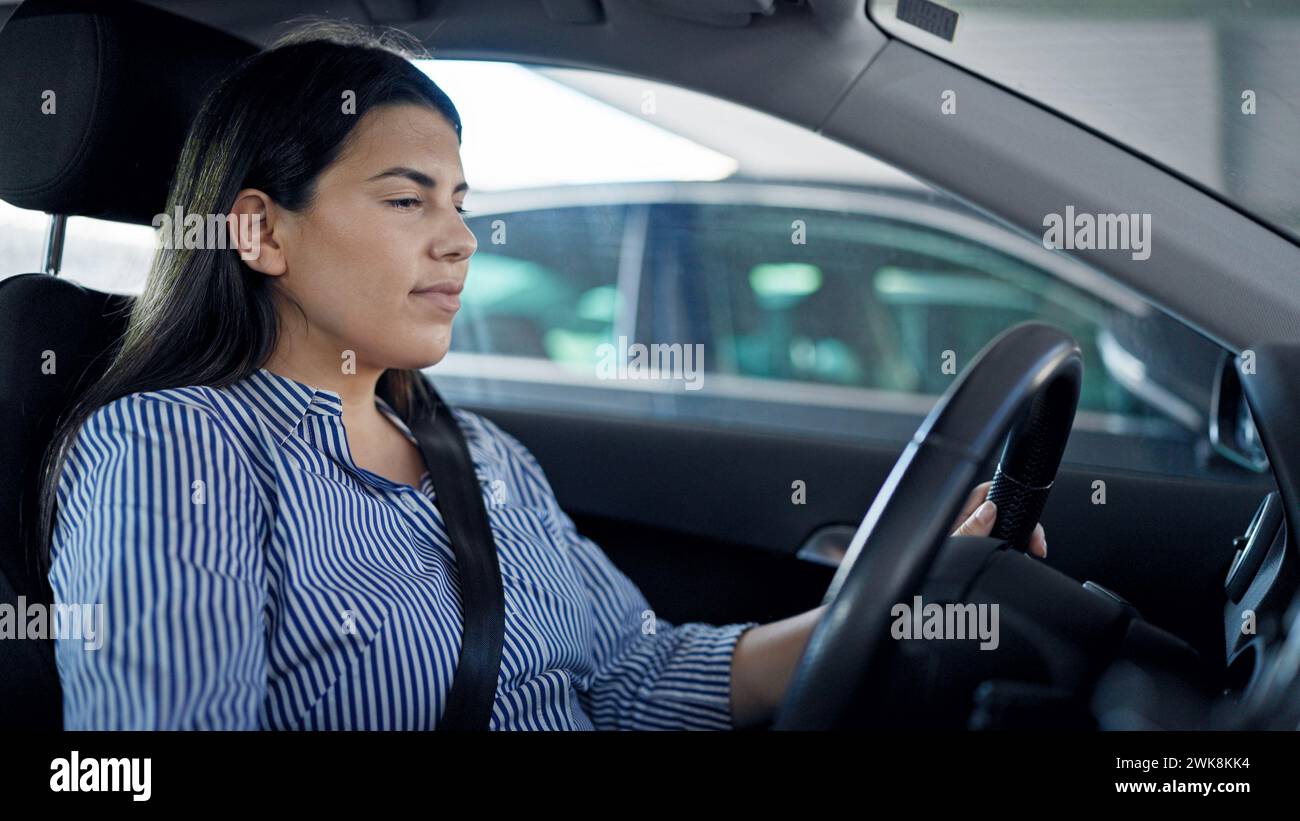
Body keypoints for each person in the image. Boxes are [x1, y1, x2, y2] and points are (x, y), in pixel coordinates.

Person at [39, 24, 1045, 731]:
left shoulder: (480, 454)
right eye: (406, 200)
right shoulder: (173, 449)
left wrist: (890, 603)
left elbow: (631, 673)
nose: (460, 239)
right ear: (258, 230)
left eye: (460, 202)